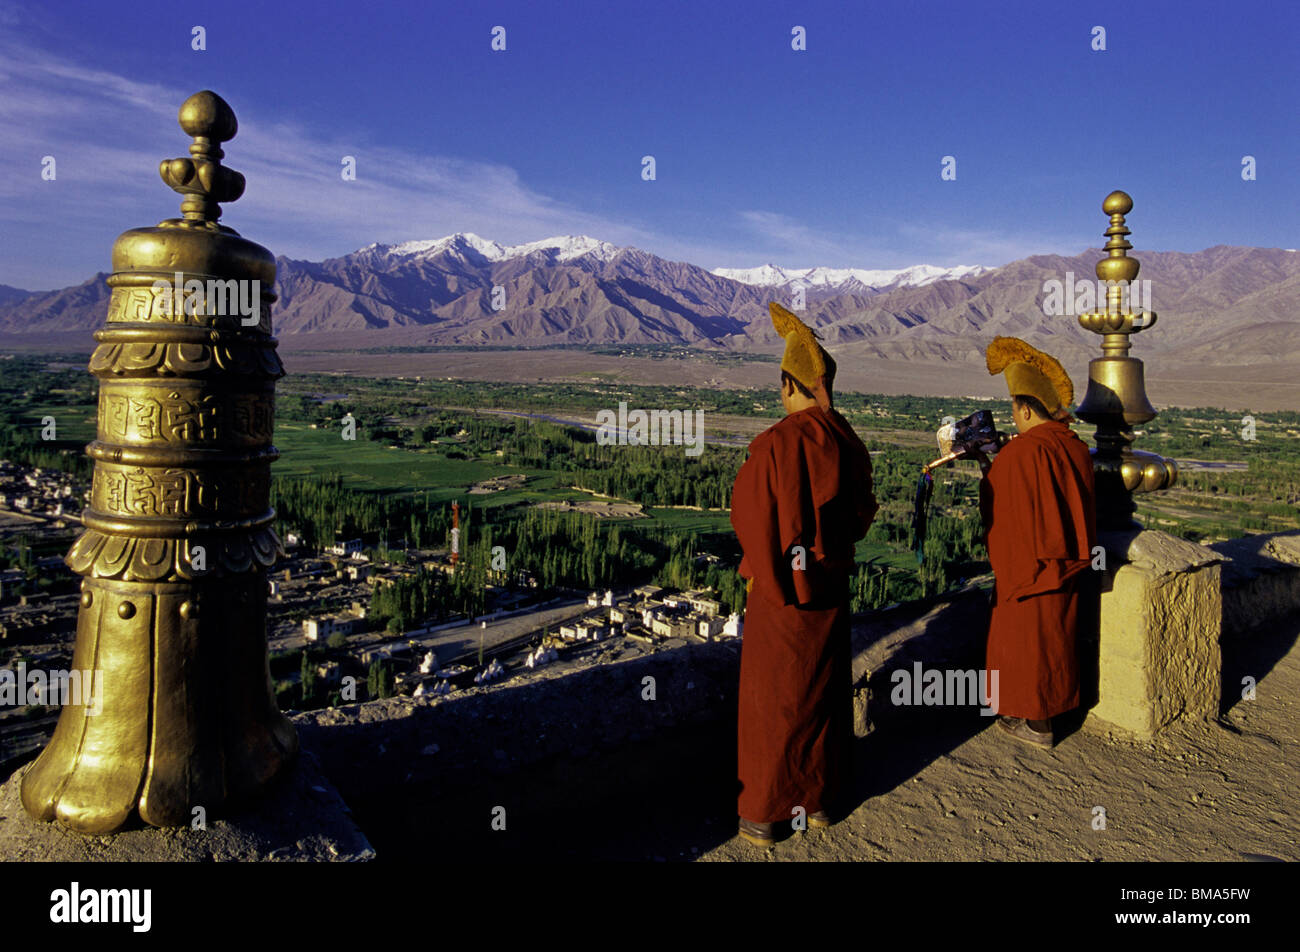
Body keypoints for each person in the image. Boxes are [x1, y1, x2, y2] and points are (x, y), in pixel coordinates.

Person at [730, 302, 878, 847]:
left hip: (781, 596)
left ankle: (768, 812)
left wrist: (767, 572)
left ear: (789, 383)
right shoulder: (847, 441)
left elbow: (748, 517)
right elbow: (862, 513)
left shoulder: (775, 445)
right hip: (831, 589)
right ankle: (819, 802)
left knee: (774, 701)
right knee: (821, 692)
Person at [977, 336, 1097, 749]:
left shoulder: (1022, 453)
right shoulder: (1075, 447)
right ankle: (1049, 714)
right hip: (1065, 565)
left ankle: (1037, 723)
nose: (1014, 418)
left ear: (1025, 407)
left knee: (1027, 643)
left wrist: (985, 468)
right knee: (1056, 640)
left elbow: (1000, 507)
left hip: (1027, 568)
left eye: (1015, 409)